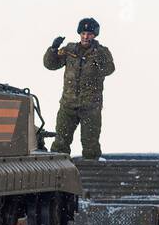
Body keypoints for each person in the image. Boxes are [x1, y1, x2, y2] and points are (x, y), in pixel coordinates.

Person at [43, 17, 116, 160]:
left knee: (90, 146)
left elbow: (109, 69)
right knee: (60, 144)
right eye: (83, 33)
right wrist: (53, 49)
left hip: (90, 107)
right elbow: (50, 65)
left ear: (94, 35)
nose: (85, 36)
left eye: (89, 34)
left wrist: (99, 57)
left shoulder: (101, 51)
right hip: (68, 105)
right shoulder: (70, 50)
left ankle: (92, 176)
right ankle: (59, 174)